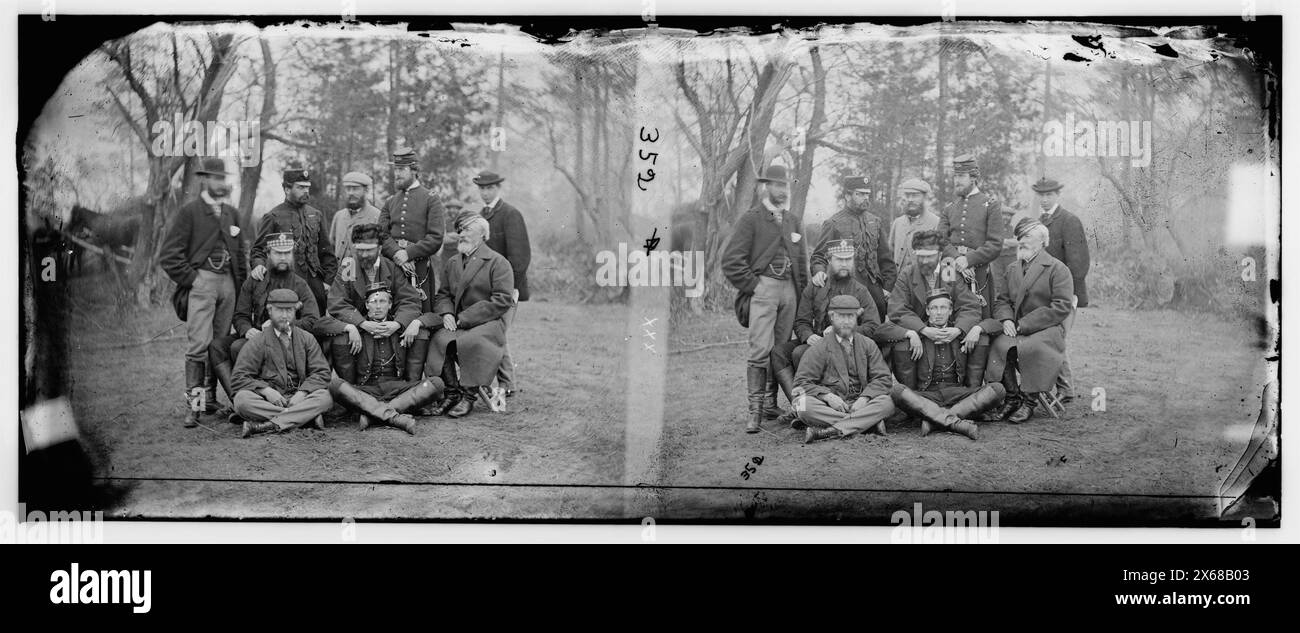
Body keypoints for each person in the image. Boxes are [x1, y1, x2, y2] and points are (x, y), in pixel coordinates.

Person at [158, 157, 248, 428]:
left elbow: (240, 255)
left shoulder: (232, 213)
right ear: (204, 180)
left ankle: (210, 399)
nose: (220, 182)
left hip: (229, 284)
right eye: (215, 178)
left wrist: (242, 288)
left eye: (223, 178)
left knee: (219, 345)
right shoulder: (190, 212)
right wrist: (193, 280)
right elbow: (169, 255)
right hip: (203, 283)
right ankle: (194, 407)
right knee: (198, 346)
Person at [721, 164, 809, 434]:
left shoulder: (793, 220)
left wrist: (803, 296)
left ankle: (771, 404)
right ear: (765, 187)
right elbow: (731, 260)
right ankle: (755, 413)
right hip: (764, 288)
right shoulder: (752, 218)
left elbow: (802, 262)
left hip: (790, 291)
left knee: (781, 350)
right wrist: (754, 286)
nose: (781, 190)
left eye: (785, 185)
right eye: (776, 185)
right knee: (760, 349)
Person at [770, 239, 881, 427]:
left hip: (849, 345)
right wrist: (807, 335)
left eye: (848, 259)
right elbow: (801, 321)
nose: (844, 264)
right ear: (829, 260)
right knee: (779, 352)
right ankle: (799, 406)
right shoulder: (815, 286)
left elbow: (873, 325)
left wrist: (848, 331)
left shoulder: (861, 290)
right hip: (818, 341)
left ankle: (823, 407)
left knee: (800, 353)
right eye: (839, 259)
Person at [209, 232, 320, 415]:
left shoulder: (300, 284)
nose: (283, 257)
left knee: (238, 347)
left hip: (288, 339)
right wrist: (247, 330)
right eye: (278, 253)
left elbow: (312, 320)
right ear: (268, 254)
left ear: (292, 255)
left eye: (287, 253)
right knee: (217, 347)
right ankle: (238, 400)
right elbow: (240, 315)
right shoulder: (255, 280)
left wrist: (285, 326)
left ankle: (265, 403)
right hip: (258, 335)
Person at [421, 213, 515, 418]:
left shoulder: (498, 262)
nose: (461, 234)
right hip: (457, 322)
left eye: (467, 230)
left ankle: (469, 396)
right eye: (460, 230)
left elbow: (502, 300)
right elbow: (443, 294)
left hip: (488, 322)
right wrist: (446, 313)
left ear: (483, 234)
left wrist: (464, 318)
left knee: (473, 341)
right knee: (438, 338)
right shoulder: (453, 262)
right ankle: (452, 392)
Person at [981, 220, 1074, 423]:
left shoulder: (1058, 269)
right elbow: (1002, 300)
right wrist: (1005, 319)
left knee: (1032, 347)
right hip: (1016, 329)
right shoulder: (1013, 268)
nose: (1022, 241)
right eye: (1020, 237)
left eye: (1028, 236)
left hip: (1046, 329)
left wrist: (1024, 324)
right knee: (997, 344)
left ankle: (1029, 402)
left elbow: (1061, 306)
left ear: (1042, 241)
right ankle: (1012, 398)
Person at [887, 288, 1006, 440]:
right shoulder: (918, 331)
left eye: (943, 308)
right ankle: (955, 421)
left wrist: (977, 328)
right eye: (934, 308)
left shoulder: (959, 329)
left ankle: (935, 420)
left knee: (998, 390)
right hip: (927, 395)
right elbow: (882, 330)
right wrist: (910, 333)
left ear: (950, 311)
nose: (938, 312)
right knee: (897, 391)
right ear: (927, 311)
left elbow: (996, 324)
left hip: (958, 393)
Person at [327, 283, 445, 435]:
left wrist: (417, 322)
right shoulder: (357, 326)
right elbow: (320, 324)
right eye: (373, 302)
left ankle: (373, 415)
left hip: (399, 388)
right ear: (366, 305)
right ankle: (395, 416)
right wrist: (350, 328)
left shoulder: (400, 324)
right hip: (366, 390)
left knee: (437, 383)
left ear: (390, 305)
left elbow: (436, 318)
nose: (377, 306)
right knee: (335, 385)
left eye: (382, 301)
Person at [879, 230, 989, 389]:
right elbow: (897, 308)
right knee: (901, 346)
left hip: (948, 331)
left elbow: (969, 305)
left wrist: (958, 330)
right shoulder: (908, 273)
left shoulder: (948, 270)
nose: (924, 261)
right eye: (920, 256)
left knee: (979, 341)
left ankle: (970, 391)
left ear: (939, 254)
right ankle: (911, 397)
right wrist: (922, 330)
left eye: (929, 256)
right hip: (918, 333)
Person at [319, 223, 424, 384]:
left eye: (369, 250)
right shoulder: (349, 266)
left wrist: (396, 324)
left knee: (419, 335)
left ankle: (410, 385)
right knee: (339, 339)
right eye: (360, 250)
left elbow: (409, 300)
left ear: (380, 248)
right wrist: (360, 323)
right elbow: (337, 302)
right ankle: (350, 390)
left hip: (389, 328)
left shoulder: (391, 267)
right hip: (359, 329)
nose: (364, 255)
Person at [230, 289, 334, 438]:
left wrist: (302, 393)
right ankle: (305, 418)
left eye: (289, 310)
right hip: (270, 401)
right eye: (280, 310)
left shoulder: (307, 338)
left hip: (300, 399)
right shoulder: (258, 341)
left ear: (296, 311)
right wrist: (266, 391)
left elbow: (322, 372)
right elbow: (239, 377)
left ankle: (267, 425)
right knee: (242, 400)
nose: (285, 316)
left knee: (326, 397)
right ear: (270, 311)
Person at [794, 295, 897, 444]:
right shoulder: (819, 348)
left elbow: (883, 378)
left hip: (861, 405)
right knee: (803, 406)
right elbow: (801, 384)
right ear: (832, 317)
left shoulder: (868, 344)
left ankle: (831, 431)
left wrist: (865, 398)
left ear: (857, 318)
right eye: (841, 316)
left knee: (888, 403)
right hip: (832, 407)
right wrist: (827, 397)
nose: (846, 322)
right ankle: (868, 425)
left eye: (851, 316)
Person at [474, 170, 532, 397]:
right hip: (486, 290)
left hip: (507, 289)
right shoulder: (480, 216)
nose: (485, 192)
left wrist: (510, 290)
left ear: (498, 188)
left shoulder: (510, 214)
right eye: (482, 188)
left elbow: (520, 258)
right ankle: (502, 384)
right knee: (494, 334)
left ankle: (506, 384)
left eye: (490, 188)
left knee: (497, 334)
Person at [1034, 176, 1091, 402]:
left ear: (1058, 195)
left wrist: (1065, 294)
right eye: (1042, 195)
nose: (1045, 200)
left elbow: (1079, 264)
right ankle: (1065, 389)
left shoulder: (1069, 221)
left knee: (1056, 338)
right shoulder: (1040, 222)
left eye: (1049, 195)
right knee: (1052, 338)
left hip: (1066, 294)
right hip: (1046, 294)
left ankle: (1066, 389)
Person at [250, 168, 337, 313]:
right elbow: (258, 250)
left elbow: (327, 252)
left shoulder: (316, 215)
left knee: (317, 326)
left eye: (307, 187)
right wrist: (258, 265)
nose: (305, 191)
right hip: (286, 283)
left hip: (316, 285)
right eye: (300, 187)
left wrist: (327, 282)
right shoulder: (273, 216)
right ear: (287, 189)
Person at [811, 175, 896, 321]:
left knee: (877, 331)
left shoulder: (875, 222)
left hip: (875, 290)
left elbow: (886, 259)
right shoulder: (833, 223)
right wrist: (819, 272)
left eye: (867, 194)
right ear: (847, 196)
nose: (865, 198)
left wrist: (887, 287)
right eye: (860, 194)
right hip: (846, 289)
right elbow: (819, 256)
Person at [938, 154, 1003, 319]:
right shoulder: (949, 208)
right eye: (955, 176)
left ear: (973, 177)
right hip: (950, 269)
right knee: (946, 313)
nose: (956, 181)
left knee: (978, 317)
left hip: (978, 271)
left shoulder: (991, 206)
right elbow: (940, 240)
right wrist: (957, 259)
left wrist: (968, 260)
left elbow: (995, 244)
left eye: (961, 176)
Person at [330, 171, 382, 281]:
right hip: (339, 280)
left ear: (366, 190)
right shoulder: (339, 216)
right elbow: (331, 248)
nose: (350, 193)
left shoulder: (376, 216)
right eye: (348, 189)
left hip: (365, 279)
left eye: (355, 189)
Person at [889, 178, 940, 269]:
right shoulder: (898, 223)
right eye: (907, 195)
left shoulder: (936, 223)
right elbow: (889, 254)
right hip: (897, 281)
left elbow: (941, 259)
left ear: (924, 197)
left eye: (915, 195)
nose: (910, 199)